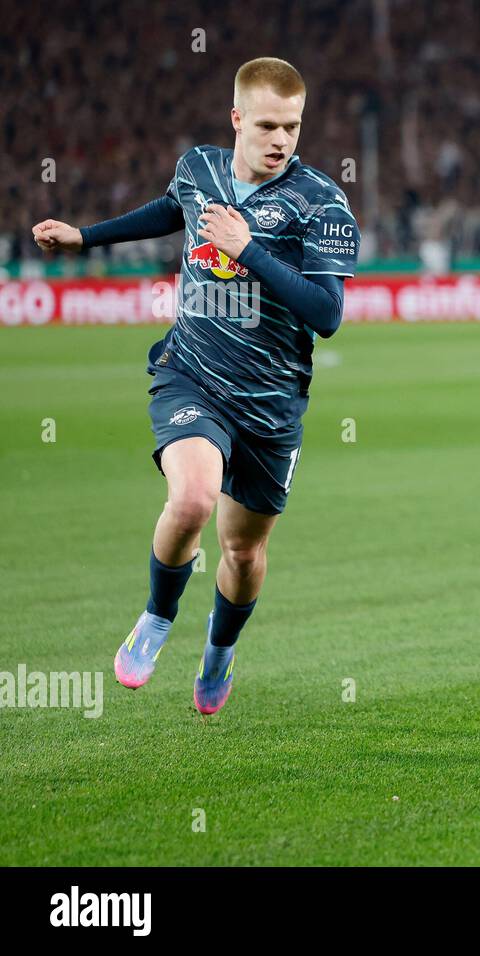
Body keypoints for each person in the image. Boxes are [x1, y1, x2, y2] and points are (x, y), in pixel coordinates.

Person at [31, 57, 359, 715]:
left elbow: (326, 315)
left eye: (292, 127)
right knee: (192, 498)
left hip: (270, 405)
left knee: (243, 551)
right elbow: (169, 210)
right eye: (267, 124)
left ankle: (218, 653)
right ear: (237, 119)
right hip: (192, 376)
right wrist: (85, 239)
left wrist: (250, 251)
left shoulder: (322, 201)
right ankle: (156, 618)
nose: (280, 139)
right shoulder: (199, 169)